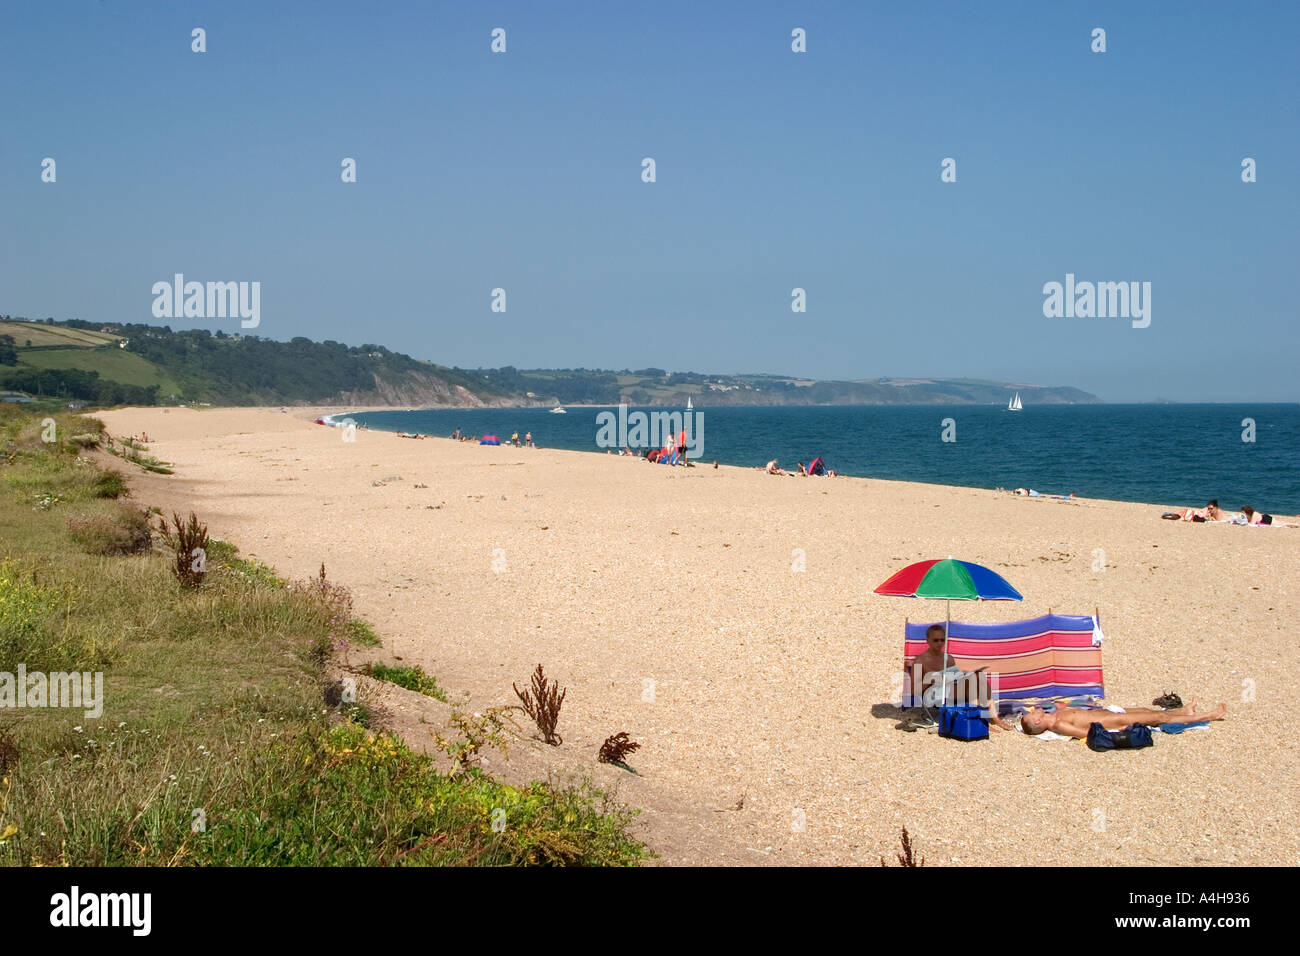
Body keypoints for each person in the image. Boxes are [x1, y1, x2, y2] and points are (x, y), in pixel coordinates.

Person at [904, 624, 1010, 728]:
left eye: (942, 640)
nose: (939, 643)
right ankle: (977, 720)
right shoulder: (920, 661)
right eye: (935, 640)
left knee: (979, 676)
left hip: (952, 687)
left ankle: (994, 717)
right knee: (971, 681)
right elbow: (914, 690)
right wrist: (931, 679)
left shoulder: (949, 659)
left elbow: (955, 676)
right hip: (933, 693)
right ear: (928, 641)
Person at [1021, 700, 1227, 738]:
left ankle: (1183, 711)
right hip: (1112, 722)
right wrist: (1117, 730)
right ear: (1038, 722)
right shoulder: (1059, 724)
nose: (1034, 710)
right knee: (1158, 717)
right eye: (1032, 714)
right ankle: (1208, 715)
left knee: (1146, 710)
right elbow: (1086, 732)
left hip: (1110, 712)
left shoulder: (1055, 714)